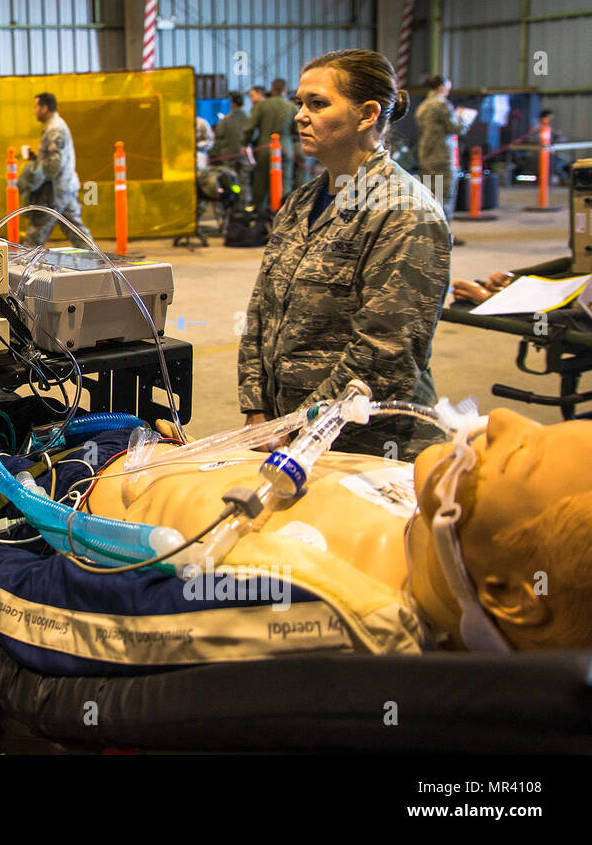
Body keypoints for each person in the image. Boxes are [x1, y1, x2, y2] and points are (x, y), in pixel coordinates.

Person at [86, 407, 592, 651]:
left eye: (521, 455)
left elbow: (81, 612)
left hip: (78, 489)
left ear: (511, 596)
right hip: (157, 449)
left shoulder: (324, 605)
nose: (503, 419)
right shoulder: (428, 511)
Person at [238, 49, 451, 458]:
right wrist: (256, 409)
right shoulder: (302, 201)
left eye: (317, 104)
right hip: (287, 441)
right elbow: (260, 311)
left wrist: (297, 430)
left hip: (365, 448)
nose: (300, 115)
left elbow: (386, 354)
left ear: (367, 114)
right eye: (301, 103)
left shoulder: (404, 212)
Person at [17, 92, 92, 247]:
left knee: (36, 232)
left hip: (55, 190)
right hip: (64, 186)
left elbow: (55, 163)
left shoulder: (54, 129)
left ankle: (23, 267)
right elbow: (54, 158)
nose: (34, 111)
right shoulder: (55, 126)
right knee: (76, 230)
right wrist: (37, 159)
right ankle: (96, 260)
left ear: (44, 108)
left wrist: (36, 177)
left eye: (35, 107)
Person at [414, 75, 470, 227]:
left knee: (428, 196)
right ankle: (443, 235)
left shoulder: (423, 106)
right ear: (442, 87)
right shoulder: (441, 105)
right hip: (443, 157)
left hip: (426, 156)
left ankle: (426, 232)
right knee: (445, 196)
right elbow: (455, 128)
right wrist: (463, 118)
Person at [245, 79, 295, 212]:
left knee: (261, 183)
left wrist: (245, 143)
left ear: (271, 89)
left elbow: (250, 128)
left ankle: (260, 215)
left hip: (264, 148)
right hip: (285, 148)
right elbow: (298, 129)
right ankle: (284, 214)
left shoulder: (261, 106)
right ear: (284, 90)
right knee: (285, 182)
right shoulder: (290, 106)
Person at [211, 92, 250, 193]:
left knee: (231, 180)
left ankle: (233, 201)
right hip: (244, 154)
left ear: (232, 103)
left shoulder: (226, 119)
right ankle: (244, 202)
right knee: (244, 180)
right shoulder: (248, 118)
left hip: (229, 155)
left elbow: (219, 134)